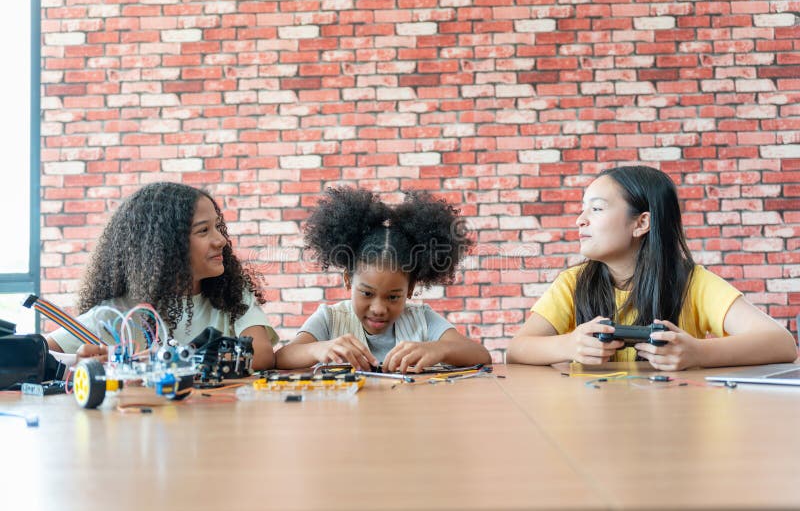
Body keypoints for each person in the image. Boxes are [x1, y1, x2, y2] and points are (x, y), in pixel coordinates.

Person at [507, 165, 797, 371]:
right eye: (583, 208)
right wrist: (569, 345)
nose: (580, 220)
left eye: (596, 208)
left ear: (642, 223)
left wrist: (697, 352)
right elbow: (516, 350)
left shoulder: (692, 282)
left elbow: (782, 343)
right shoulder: (572, 283)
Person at [46, 182, 277, 371]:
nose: (221, 240)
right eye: (203, 230)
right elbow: (39, 356)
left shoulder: (232, 294)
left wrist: (161, 361)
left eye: (218, 227)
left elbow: (262, 355)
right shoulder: (114, 314)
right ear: (164, 246)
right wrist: (77, 364)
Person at [275, 187, 491, 372]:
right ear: (348, 279)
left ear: (410, 288)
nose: (378, 309)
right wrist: (317, 348)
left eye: (393, 297)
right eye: (367, 293)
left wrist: (440, 349)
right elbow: (282, 358)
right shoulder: (330, 319)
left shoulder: (422, 319)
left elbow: (481, 355)